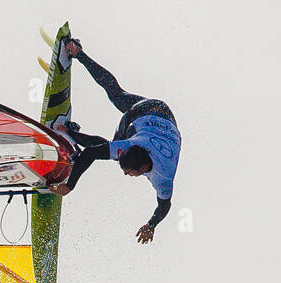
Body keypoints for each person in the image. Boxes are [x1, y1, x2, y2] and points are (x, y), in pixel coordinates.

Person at [48, 39, 182, 244]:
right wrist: (70, 185)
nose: (127, 174)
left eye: (127, 171)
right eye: (129, 172)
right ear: (143, 167)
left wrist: (151, 224)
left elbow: (165, 206)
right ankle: (70, 131)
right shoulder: (158, 174)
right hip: (145, 114)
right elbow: (92, 153)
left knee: (117, 98)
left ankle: (77, 52)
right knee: (116, 104)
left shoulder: (162, 177)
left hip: (162, 112)